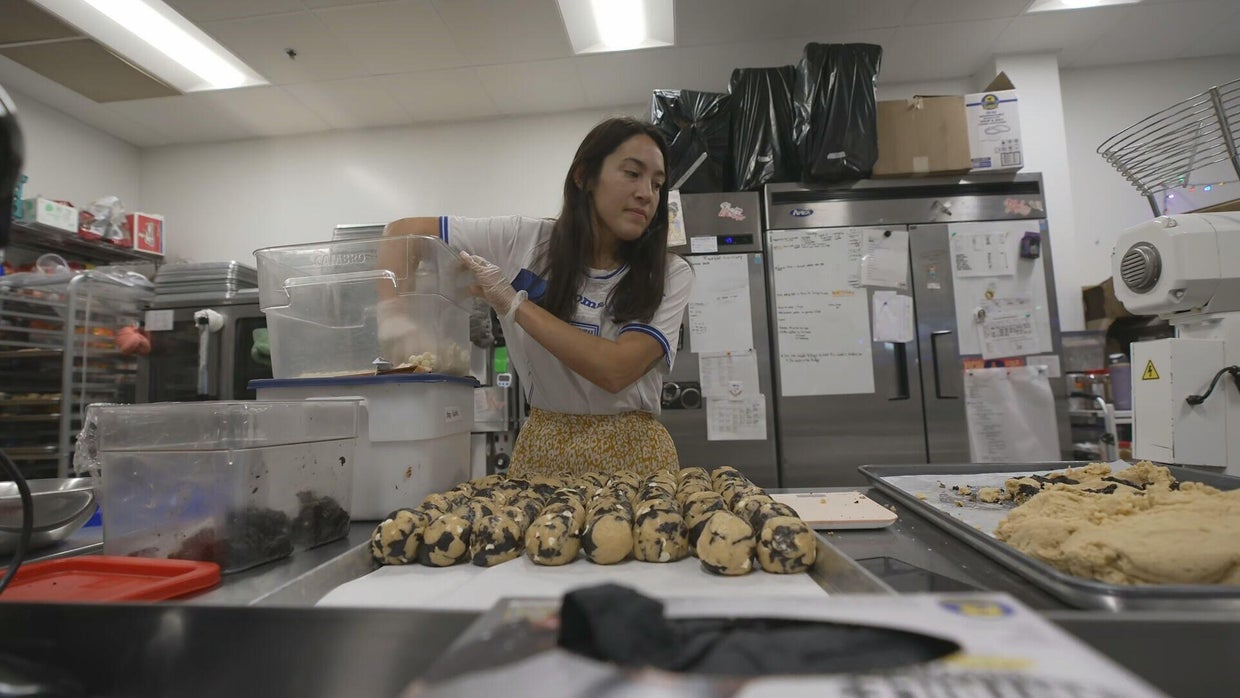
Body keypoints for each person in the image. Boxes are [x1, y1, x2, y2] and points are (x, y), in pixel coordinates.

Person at [383, 117, 693, 478]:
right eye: (632, 174)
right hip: (545, 446)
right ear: (584, 177)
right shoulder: (524, 241)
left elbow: (616, 370)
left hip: (634, 455)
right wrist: (396, 324)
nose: (647, 194)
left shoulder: (669, 274)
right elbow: (402, 234)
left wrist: (515, 305)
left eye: (657, 184)